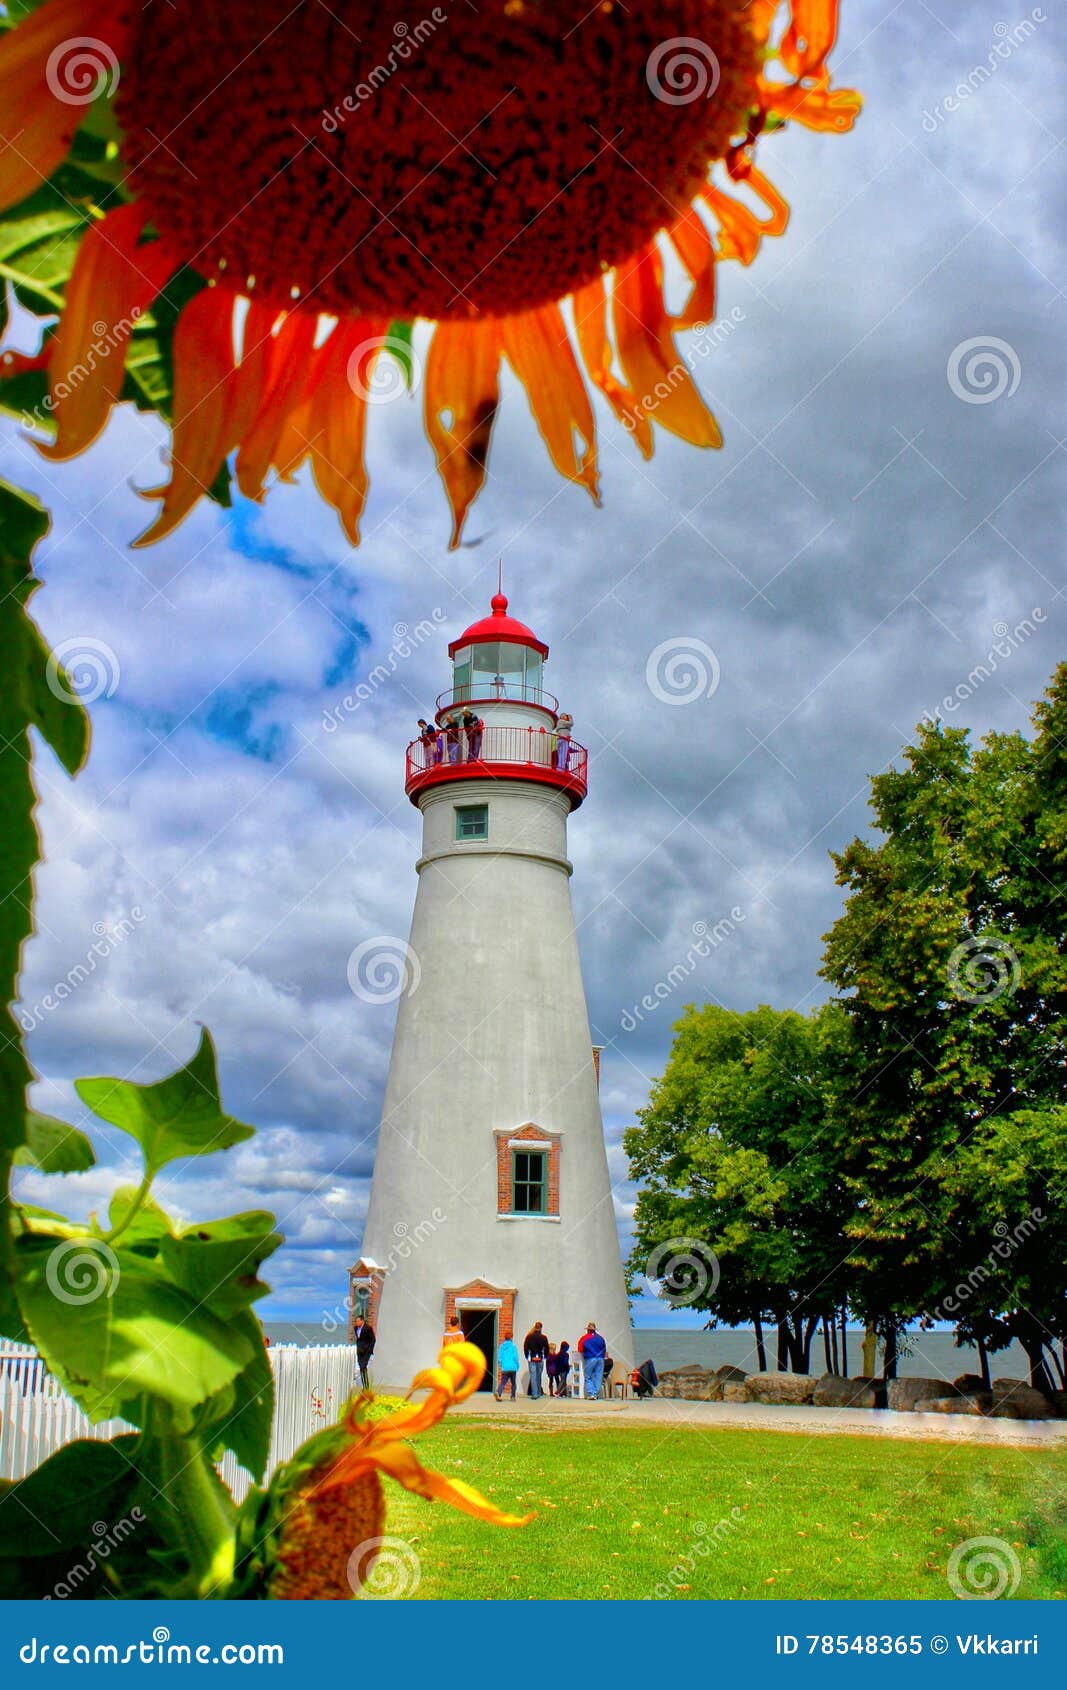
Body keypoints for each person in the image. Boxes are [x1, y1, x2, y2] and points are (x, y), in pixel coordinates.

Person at [577, 1322, 606, 1398]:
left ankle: (591, 1393)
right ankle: (596, 1393)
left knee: (588, 1376)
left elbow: (580, 1349)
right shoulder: (601, 1338)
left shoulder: (584, 1338)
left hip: (590, 1358)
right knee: (598, 1376)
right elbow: (604, 1349)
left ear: (588, 1330)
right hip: (600, 1358)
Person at [523, 1321, 549, 1399]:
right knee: (539, 1376)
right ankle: (538, 1392)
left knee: (533, 1376)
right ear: (541, 1328)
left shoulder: (529, 1337)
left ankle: (534, 1394)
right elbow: (547, 1348)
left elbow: (525, 1347)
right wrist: (545, 1357)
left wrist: (527, 1356)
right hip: (540, 1358)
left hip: (532, 1358)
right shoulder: (544, 1337)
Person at [352, 1314, 375, 1389]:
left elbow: (373, 1340)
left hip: (366, 1352)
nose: (357, 1322)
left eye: (358, 1321)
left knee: (363, 1367)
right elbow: (359, 1340)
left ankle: (366, 1387)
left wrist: (370, 1350)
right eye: (356, 1321)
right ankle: (365, 1387)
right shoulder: (356, 1328)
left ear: (362, 1321)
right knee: (362, 1368)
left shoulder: (368, 1328)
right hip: (360, 1352)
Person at [495, 1331, 520, 1400]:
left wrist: (501, 1364)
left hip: (505, 1368)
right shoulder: (513, 1346)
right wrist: (517, 1365)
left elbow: (499, 1357)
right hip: (513, 1367)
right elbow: (515, 1357)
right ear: (511, 1338)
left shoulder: (502, 1346)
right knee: (513, 1383)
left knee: (503, 1382)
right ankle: (513, 1396)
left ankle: (499, 1392)